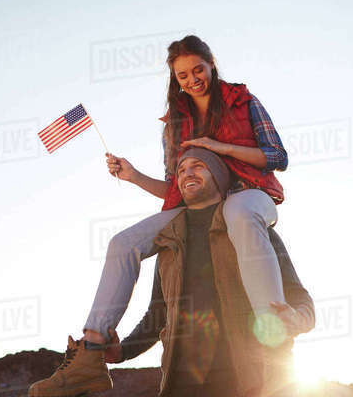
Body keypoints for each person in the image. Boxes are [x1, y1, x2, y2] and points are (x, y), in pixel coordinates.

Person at [28, 34, 290, 396]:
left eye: (198, 69)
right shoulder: (174, 124)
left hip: (249, 195)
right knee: (123, 243)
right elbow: (175, 190)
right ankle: (89, 355)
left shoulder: (241, 101)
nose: (192, 79)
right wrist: (132, 175)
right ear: (174, 78)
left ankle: (271, 326)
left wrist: (217, 147)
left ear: (212, 64)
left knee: (240, 214)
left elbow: (277, 157)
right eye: (182, 75)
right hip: (191, 212)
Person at [28, 149, 312, 397]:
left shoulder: (250, 230)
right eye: (181, 169)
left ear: (219, 176)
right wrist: (123, 351)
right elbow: (158, 313)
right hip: (180, 384)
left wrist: (296, 320)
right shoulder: (168, 243)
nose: (188, 172)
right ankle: (87, 360)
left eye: (198, 166)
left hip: (249, 381)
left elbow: (301, 300)